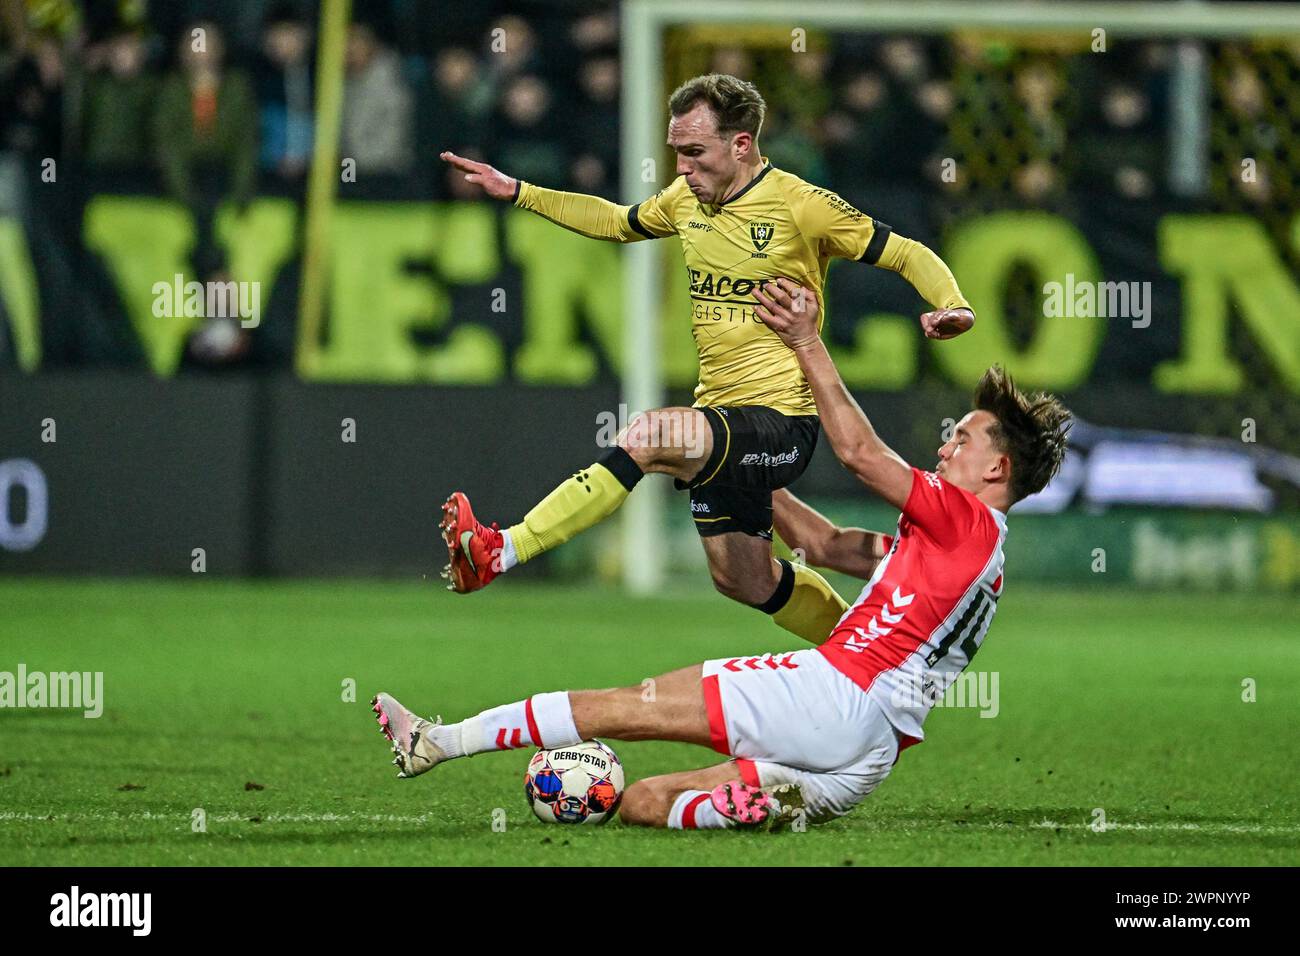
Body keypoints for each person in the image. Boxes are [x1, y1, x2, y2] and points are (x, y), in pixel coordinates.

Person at [373, 280, 1072, 829]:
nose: (947, 445)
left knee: (627, 707)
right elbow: (822, 544)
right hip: (868, 754)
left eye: (965, 440)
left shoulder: (965, 520)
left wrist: (807, 342)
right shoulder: (971, 557)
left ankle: (437, 742)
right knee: (643, 801)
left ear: (997, 472)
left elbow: (860, 454)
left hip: (832, 695)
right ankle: (773, 801)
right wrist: (720, 466)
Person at [437, 73, 976, 647]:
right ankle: (870, 654)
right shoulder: (684, 201)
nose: (681, 169)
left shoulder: (800, 205)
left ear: (741, 144)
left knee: (650, 436)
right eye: (676, 153)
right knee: (745, 579)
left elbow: (905, 252)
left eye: (694, 152)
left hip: (781, 422)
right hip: (722, 419)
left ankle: (501, 551)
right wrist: (519, 190)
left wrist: (952, 304)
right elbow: (616, 222)